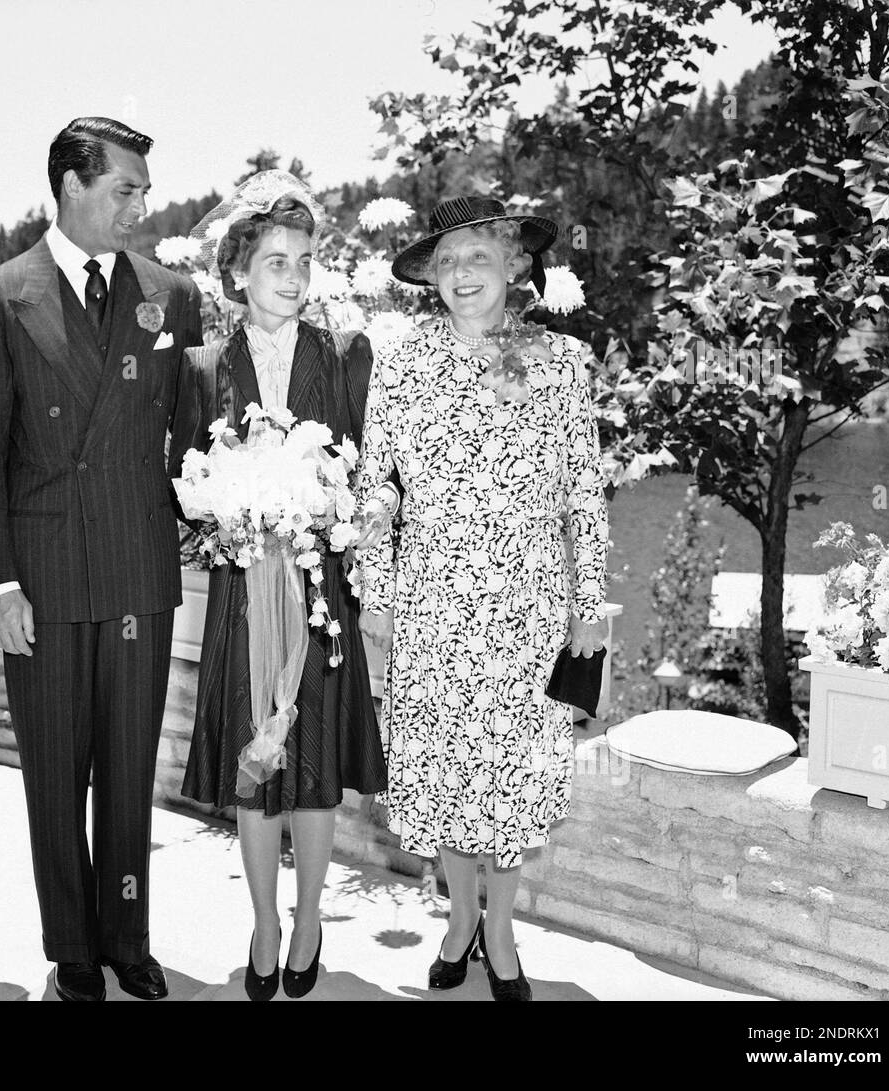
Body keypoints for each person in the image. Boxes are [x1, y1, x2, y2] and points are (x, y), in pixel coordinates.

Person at [0, 117, 203, 1002]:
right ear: (70, 186)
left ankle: (128, 937)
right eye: (124, 189)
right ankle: (74, 949)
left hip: (138, 569)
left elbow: (193, 446)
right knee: (55, 774)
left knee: (131, 772)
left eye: (143, 189)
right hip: (44, 580)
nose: (140, 205)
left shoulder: (172, 296)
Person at [354, 195, 610, 1001]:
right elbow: (377, 486)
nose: (462, 273)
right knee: (442, 777)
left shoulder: (562, 363)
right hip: (432, 608)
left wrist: (590, 599)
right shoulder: (400, 361)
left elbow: (584, 494)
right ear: (431, 276)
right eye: (447, 260)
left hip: (528, 610)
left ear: (514, 265)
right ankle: (458, 916)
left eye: (478, 256)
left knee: (512, 777)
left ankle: (499, 928)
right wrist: (377, 591)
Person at [168, 171, 395, 1000]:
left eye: (305, 260)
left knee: (316, 760)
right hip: (239, 591)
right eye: (275, 260)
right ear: (236, 271)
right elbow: (181, 479)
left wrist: (352, 512)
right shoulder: (198, 367)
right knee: (254, 760)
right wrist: (216, 520)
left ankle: (308, 920)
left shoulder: (344, 355)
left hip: (320, 590)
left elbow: (373, 464)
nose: (293, 275)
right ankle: (263, 917)